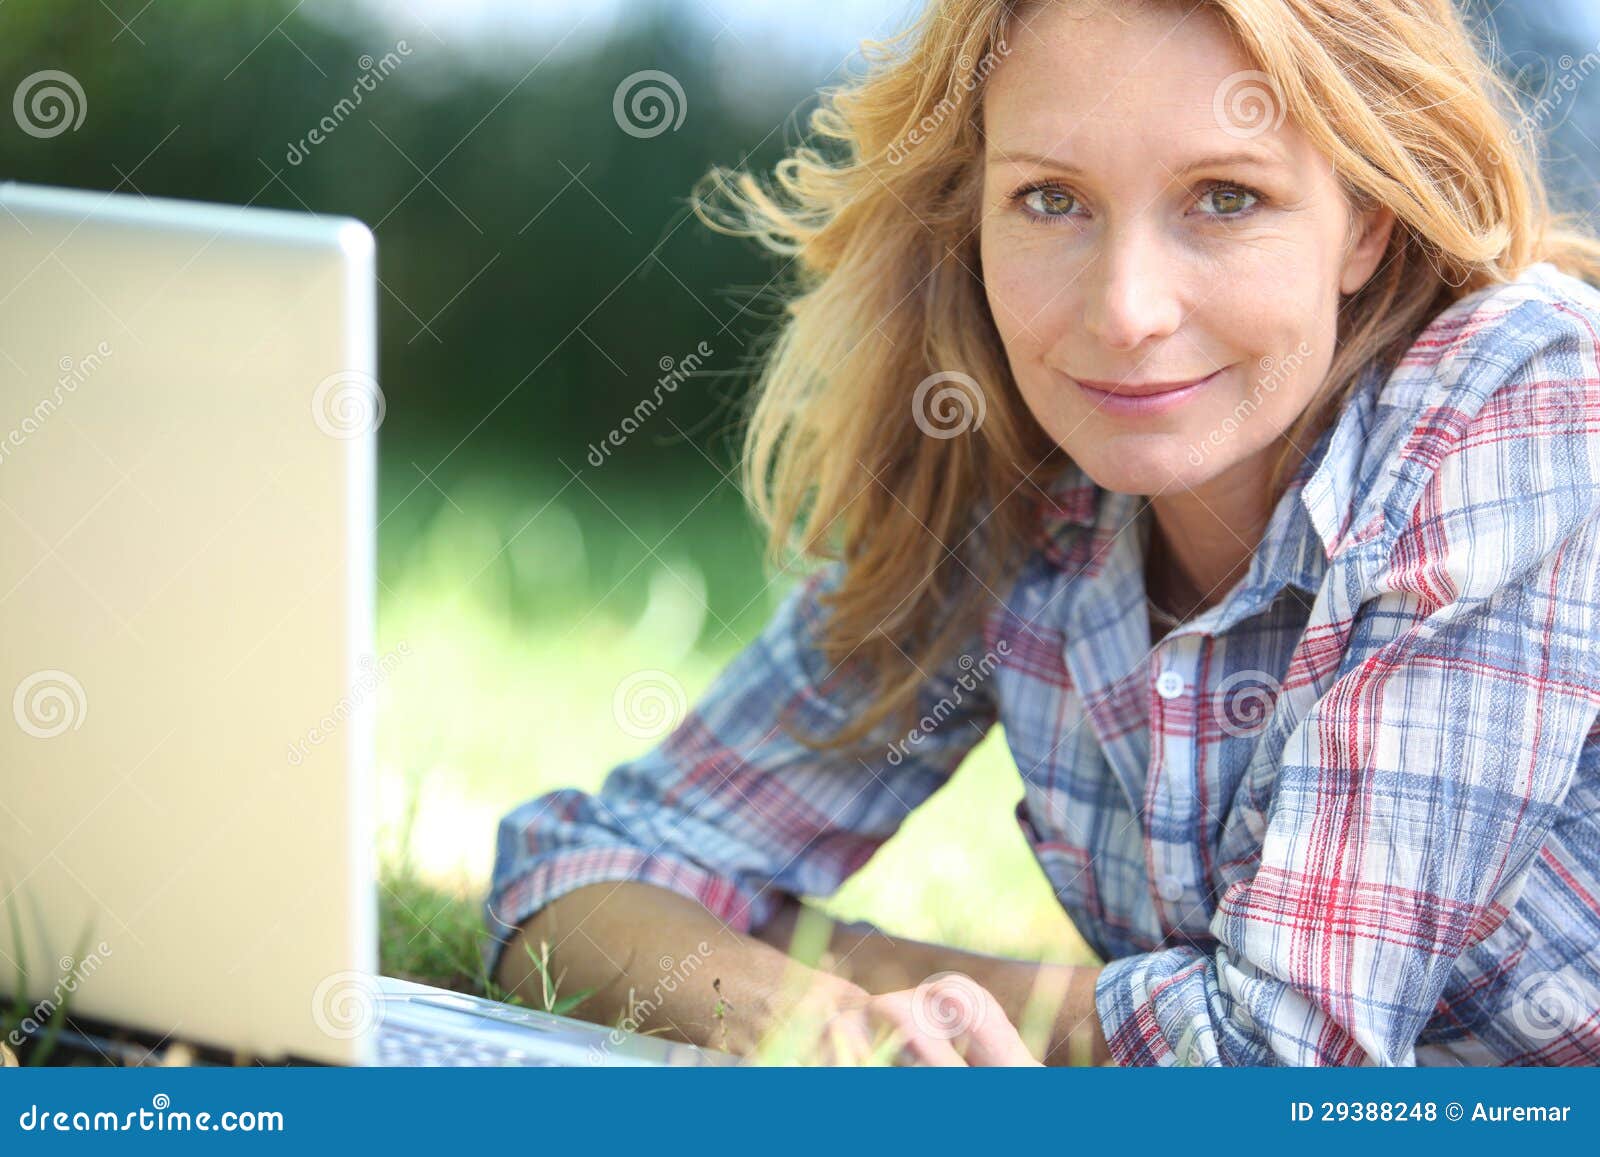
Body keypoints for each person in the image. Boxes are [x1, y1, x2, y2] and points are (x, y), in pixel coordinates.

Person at [486, 0, 1600, 1066]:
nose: (1124, 311)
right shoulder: (1017, 469)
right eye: (1050, 200)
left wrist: (876, 966)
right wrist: (796, 1008)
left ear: (1366, 221)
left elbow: (1276, 1058)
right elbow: (581, 870)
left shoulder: (1519, 390)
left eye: (1225, 196)